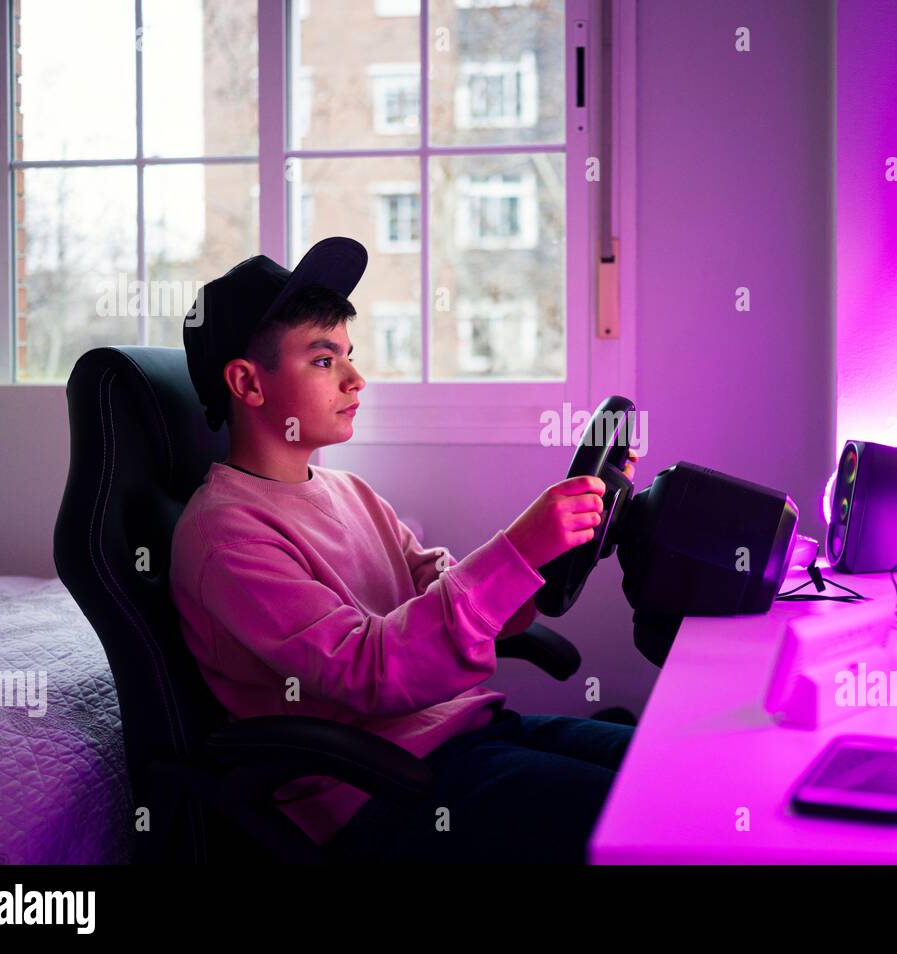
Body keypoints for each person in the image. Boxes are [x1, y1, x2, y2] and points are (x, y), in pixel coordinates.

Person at [170, 237, 638, 863]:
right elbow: (371, 670)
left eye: (349, 356)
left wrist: (558, 547)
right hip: (379, 789)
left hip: (463, 736)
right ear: (248, 383)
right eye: (322, 360)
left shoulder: (348, 491)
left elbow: (440, 593)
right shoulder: (225, 536)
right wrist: (519, 548)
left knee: (665, 765)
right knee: (645, 819)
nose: (356, 378)